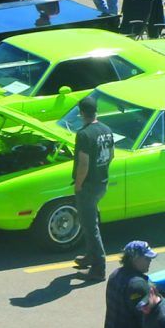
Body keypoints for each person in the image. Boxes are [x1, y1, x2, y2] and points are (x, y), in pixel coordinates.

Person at [66, 94, 116, 274]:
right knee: (89, 222)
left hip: (88, 186)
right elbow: (111, 155)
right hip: (102, 182)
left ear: (81, 113)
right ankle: (90, 256)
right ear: (95, 111)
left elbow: (83, 164)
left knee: (90, 226)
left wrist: (78, 184)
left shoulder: (84, 134)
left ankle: (98, 268)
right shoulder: (106, 129)